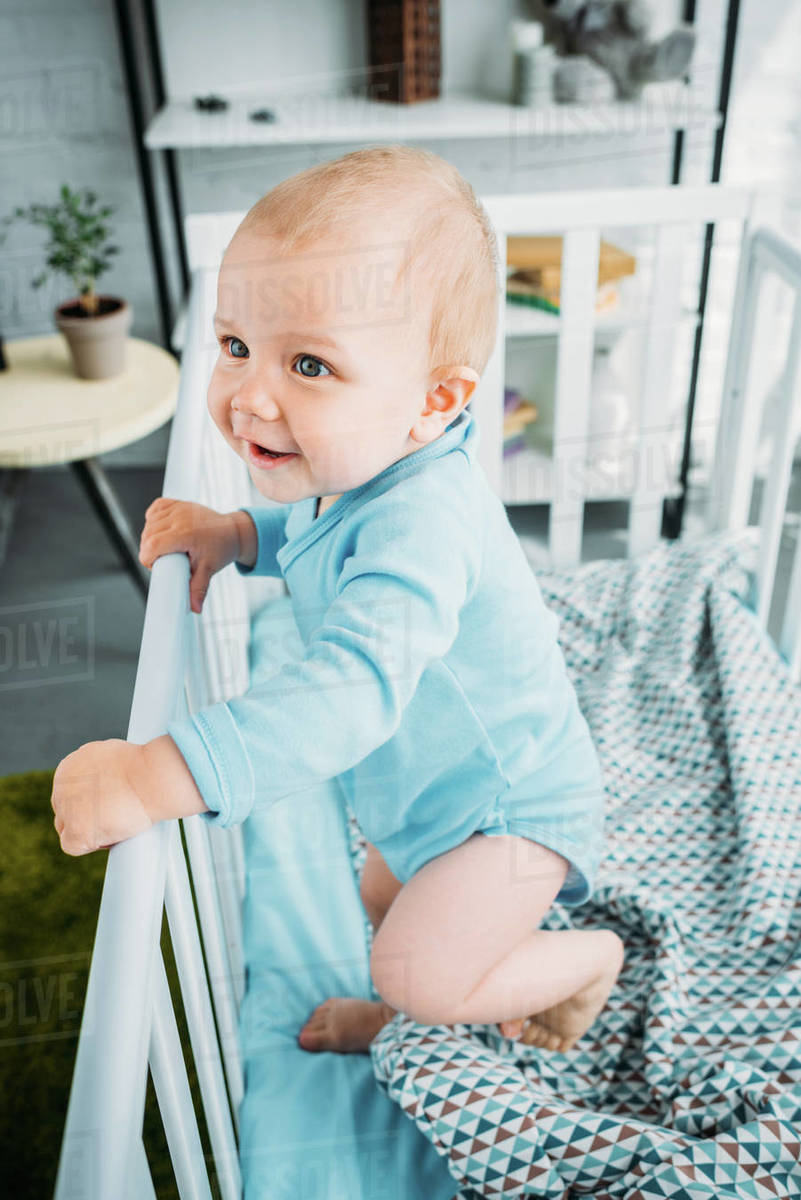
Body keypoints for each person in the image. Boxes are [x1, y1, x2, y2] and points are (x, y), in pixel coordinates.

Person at [51, 145, 623, 1056]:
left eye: (308, 365)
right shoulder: (359, 462)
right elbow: (322, 538)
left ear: (433, 401)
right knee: (380, 900)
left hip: (509, 814)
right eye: (236, 347)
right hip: (423, 800)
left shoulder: (424, 521)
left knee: (417, 971)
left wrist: (159, 773)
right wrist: (241, 536)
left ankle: (587, 961)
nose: (249, 398)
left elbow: (349, 691)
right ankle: (404, 1014)